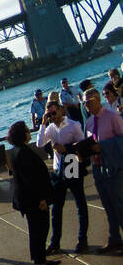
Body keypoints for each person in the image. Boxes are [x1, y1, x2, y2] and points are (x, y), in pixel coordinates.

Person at [8, 121, 59, 265]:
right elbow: (31, 180)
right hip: (33, 201)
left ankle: (41, 259)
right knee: (39, 231)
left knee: (38, 230)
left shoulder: (18, 150)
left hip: (28, 200)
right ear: (22, 134)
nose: (30, 132)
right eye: (27, 130)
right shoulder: (22, 152)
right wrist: (41, 199)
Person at [41, 97, 88, 255]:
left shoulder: (74, 125)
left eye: (54, 112)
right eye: (50, 114)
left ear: (61, 109)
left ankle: (82, 240)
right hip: (58, 168)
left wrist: (66, 149)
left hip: (72, 163)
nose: (52, 116)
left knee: (79, 203)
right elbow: (40, 143)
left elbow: (83, 146)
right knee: (56, 207)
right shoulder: (50, 128)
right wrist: (42, 123)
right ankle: (55, 242)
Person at [84, 88, 123, 252]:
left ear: (98, 100)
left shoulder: (113, 117)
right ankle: (114, 238)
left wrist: (104, 146)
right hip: (98, 169)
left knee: (120, 205)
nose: (86, 105)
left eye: (89, 102)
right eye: (84, 103)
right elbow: (90, 143)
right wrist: (84, 153)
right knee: (108, 206)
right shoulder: (89, 122)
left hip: (113, 169)